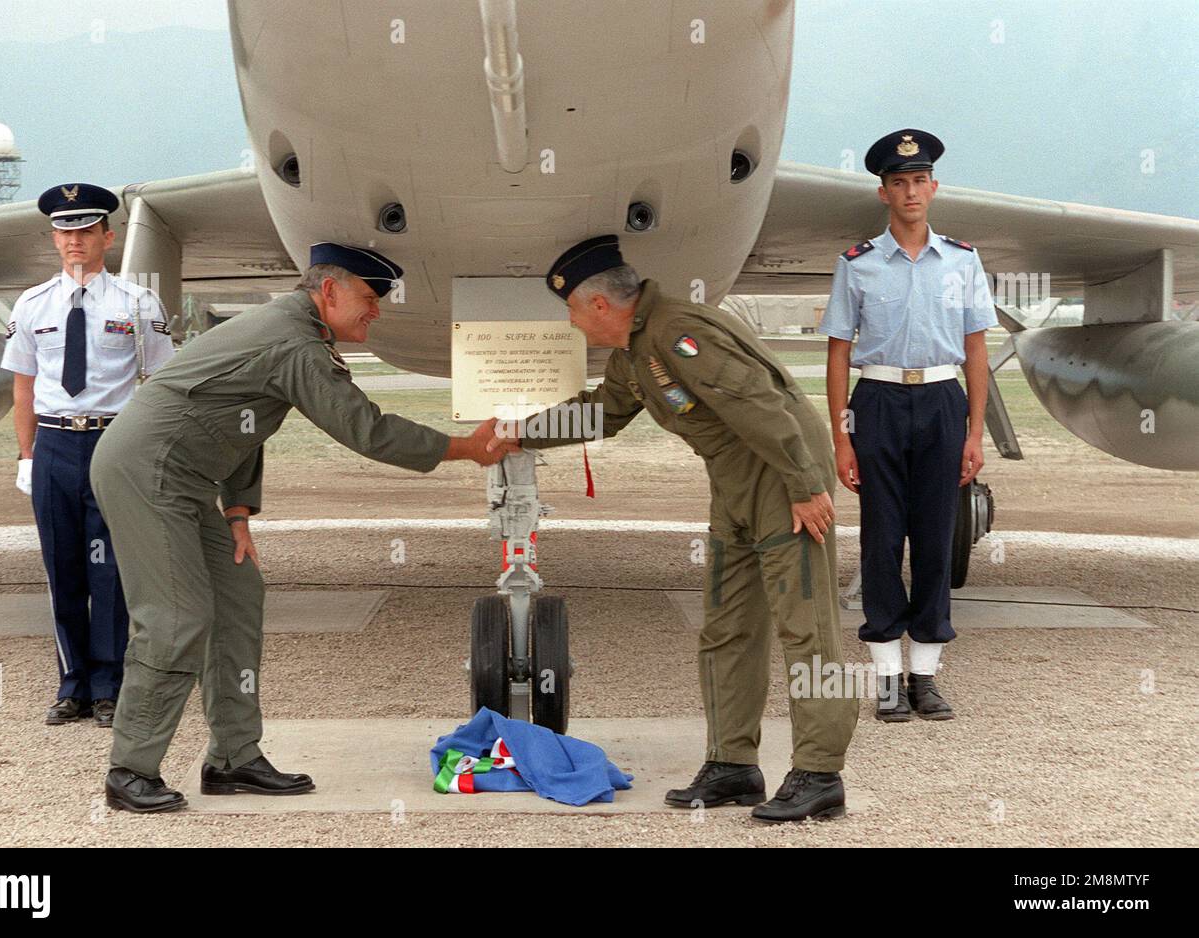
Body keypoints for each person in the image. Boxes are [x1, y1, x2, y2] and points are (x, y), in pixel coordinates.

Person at [91, 242, 519, 813]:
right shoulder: (294, 340)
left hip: (187, 477)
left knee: (238, 596)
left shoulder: (289, 331)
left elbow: (241, 419)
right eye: (370, 298)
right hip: (148, 472)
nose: (377, 311)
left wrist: (238, 511)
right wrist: (465, 447)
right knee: (176, 617)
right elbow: (364, 428)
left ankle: (232, 758)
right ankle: (130, 770)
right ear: (331, 291)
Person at [497, 235, 858, 824]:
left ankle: (820, 773)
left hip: (781, 473)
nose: (571, 324)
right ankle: (732, 764)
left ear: (599, 306)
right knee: (726, 625)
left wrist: (805, 485)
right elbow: (604, 413)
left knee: (808, 628)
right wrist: (519, 431)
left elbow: (759, 402)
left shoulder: (676, 333)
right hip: (736, 480)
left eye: (571, 310)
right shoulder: (635, 352)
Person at [819, 129, 996, 722]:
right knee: (882, 539)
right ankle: (888, 680)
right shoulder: (858, 266)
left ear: (934, 187)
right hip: (880, 403)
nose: (911, 191)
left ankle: (926, 676)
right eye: (900, 183)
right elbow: (839, 352)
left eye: (920, 181)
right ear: (884, 193)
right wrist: (842, 437)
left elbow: (976, 350)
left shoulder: (964, 261)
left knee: (936, 538)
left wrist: (974, 433)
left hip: (943, 402)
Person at [0, 183, 174, 728]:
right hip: (54, 444)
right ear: (53, 238)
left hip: (114, 442)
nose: (74, 239)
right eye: (64, 230)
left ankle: (108, 685)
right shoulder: (30, 305)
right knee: (63, 568)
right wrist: (27, 455)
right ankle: (70, 684)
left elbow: (163, 382)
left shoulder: (139, 303)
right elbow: (23, 389)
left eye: (85, 230)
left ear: (107, 236)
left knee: (112, 570)